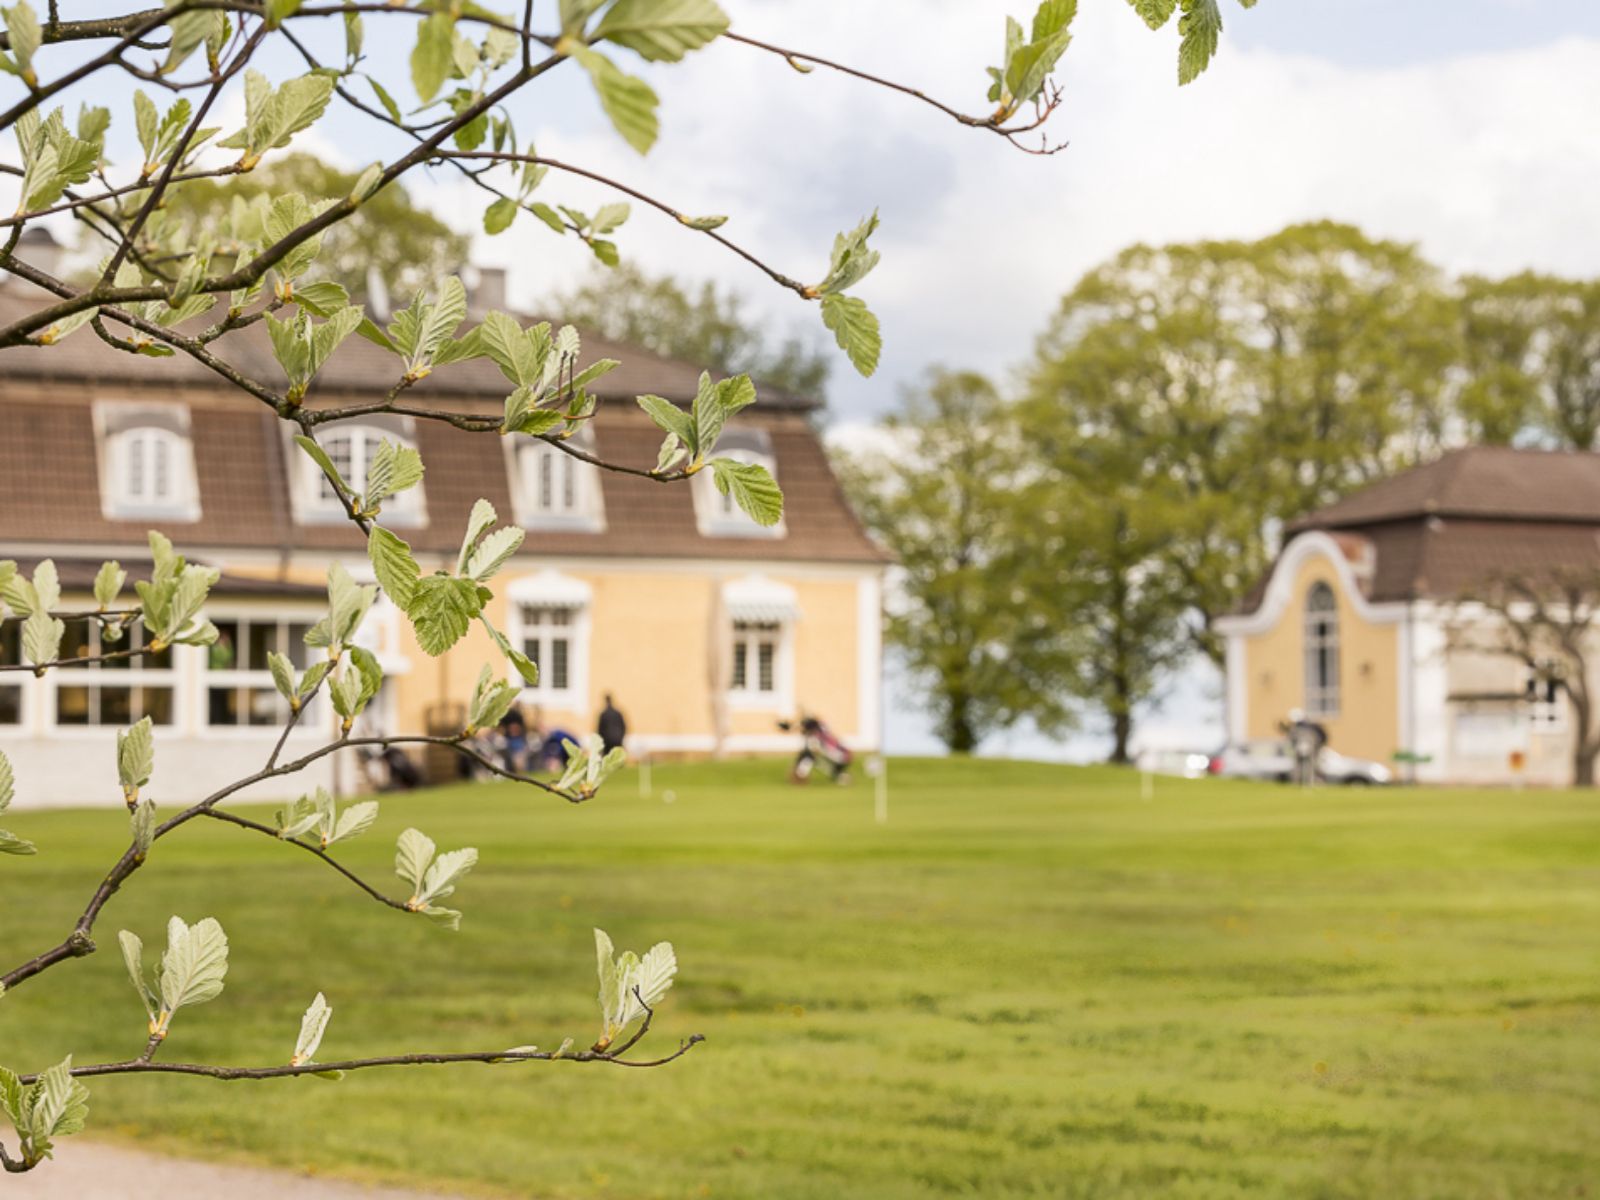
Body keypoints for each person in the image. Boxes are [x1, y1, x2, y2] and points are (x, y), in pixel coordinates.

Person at [779, 713, 853, 785]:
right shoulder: (820, 729)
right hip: (843, 755)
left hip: (841, 757)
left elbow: (812, 752)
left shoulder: (815, 736)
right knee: (810, 755)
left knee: (809, 755)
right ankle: (838, 775)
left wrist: (801, 768)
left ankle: (801, 775)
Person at [1281, 707, 1328, 787]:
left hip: (1310, 748)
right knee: (1305, 766)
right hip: (1308, 749)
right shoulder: (1312, 726)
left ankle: (1304, 783)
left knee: (1308, 766)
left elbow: (1291, 739)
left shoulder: (1305, 728)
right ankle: (1305, 783)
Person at [498, 703, 530, 773]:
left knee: (519, 756)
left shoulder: (514, 715)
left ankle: (519, 769)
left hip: (516, 739)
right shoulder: (512, 715)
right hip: (510, 739)